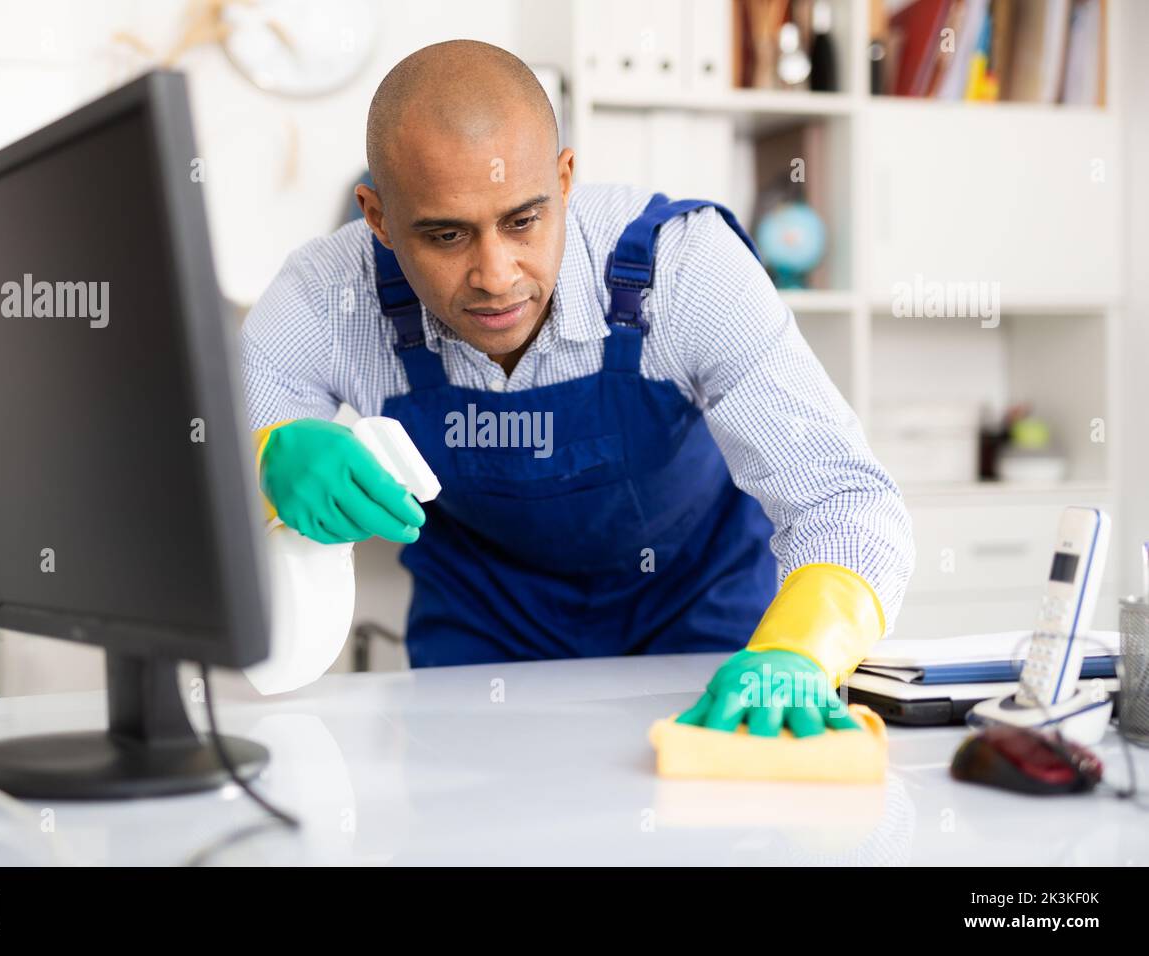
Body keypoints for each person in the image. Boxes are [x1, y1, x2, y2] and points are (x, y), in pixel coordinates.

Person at [241, 40, 914, 737]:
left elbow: (846, 497)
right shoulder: (327, 297)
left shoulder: (683, 266)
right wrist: (263, 458)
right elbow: (195, 454)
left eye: (523, 221)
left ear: (564, 180)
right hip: (479, 649)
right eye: (446, 235)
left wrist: (799, 653)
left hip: (705, 633)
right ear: (377, 218)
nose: (496, 275)